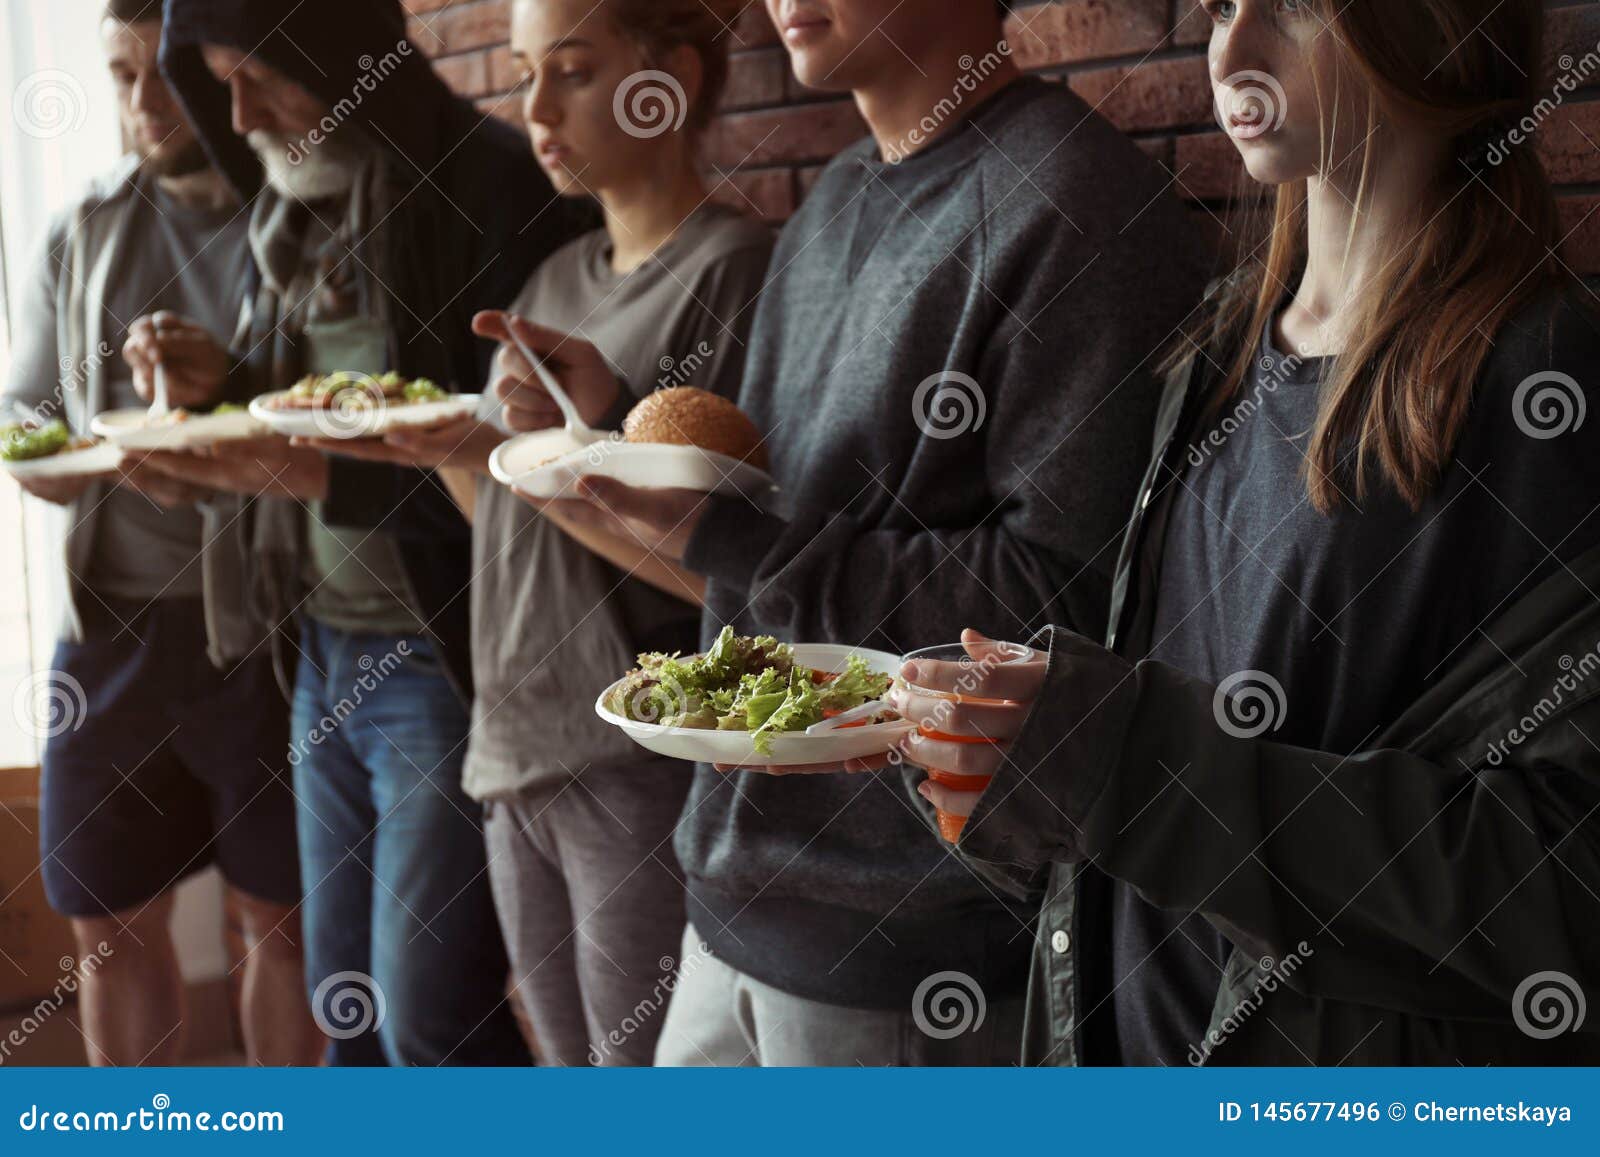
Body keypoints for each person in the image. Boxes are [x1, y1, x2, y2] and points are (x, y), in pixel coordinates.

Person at [888, 0, 1600, 1064]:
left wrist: (1120, 760)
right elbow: (1172, 765)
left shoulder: (1542, 384)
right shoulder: (1213, 350)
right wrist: (1011, 758)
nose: (1232, 49)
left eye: (1296, 6)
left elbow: (1561, 887)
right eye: (1221, 3)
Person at [507, 0, 1211, 1065]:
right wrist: (623, 426)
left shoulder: (1078, 202)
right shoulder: (837, 194)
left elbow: (1065, 601)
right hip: (729, 892)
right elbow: (788, 499)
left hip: (911, 939)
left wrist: (732, 538)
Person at [314, 0, 773, 1066]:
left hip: (631, 746)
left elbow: (730, 568)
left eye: (569, 70)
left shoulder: (736, 269)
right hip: (510, 735)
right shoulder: (548, 284)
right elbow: (508, 524)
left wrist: (556, 465)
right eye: (527, 73)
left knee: (645, 1076)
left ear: (676, 81)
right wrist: (443, 451)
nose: (533, 108)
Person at [132, 0, 590, 1065]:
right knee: (349, 1008)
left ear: (336, 57)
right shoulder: (281, 209)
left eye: (260, 72)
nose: (236, 110)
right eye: (218, 80)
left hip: (441, 654)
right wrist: (226, 388)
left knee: (434, 1013)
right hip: (320, 648)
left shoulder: (484, 183)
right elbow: (317, 407)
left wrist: (294, 466)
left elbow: (524, 465)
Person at [0, 0, 318, 1067]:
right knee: (103, 925)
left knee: (280, 922)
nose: (141, 103)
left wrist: (214, 416)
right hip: (109, 636)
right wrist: (53, 455)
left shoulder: (295, 215)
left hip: (269, 630)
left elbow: (342, 427)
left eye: (162, 73)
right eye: (120, 75)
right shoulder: (83, 224)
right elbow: (28, 412)